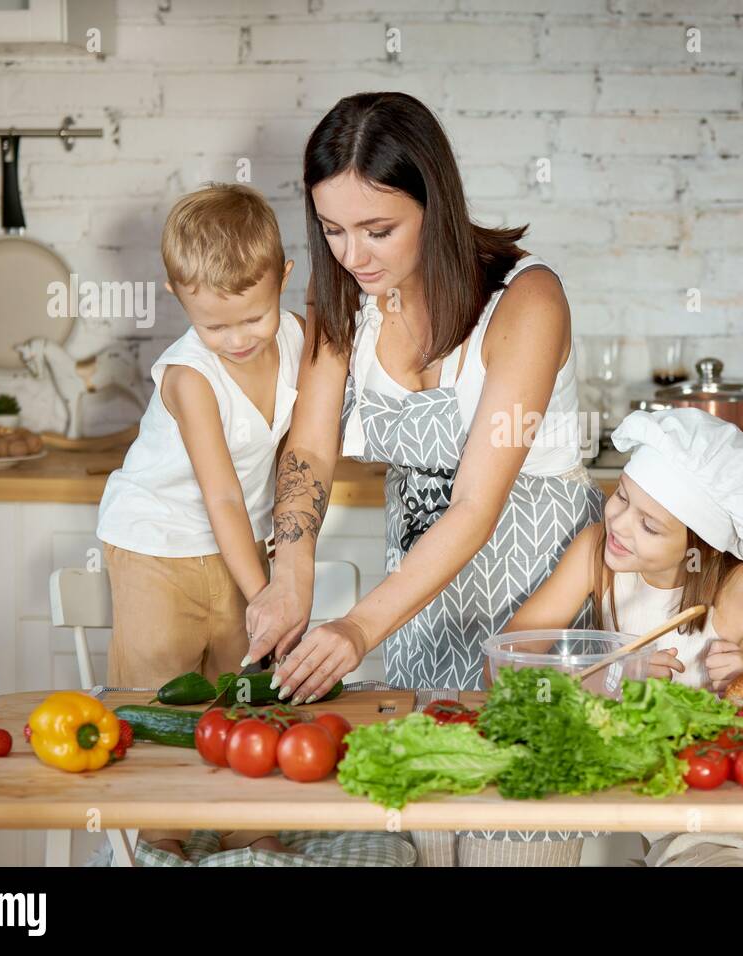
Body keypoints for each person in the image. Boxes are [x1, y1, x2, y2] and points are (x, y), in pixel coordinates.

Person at [243, 92, 600, 866]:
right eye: (332, 230)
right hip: (419, 612)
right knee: (425, 842)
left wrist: (356, 628)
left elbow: (474, 506)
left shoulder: (526, 301)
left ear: (433, 205)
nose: (354, 256)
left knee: (517, 841)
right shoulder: (345, 292)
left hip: (534, 614)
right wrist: (291, 569)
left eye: (379, 230)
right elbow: (310, 440)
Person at [503, 407, 743, 866]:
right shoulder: (594, 555)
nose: (620, 523)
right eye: (622, 496)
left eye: (650, 525)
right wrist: (607, 677)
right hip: (693, 830)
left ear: (700, 547)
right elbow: (512, 654)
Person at [96, 183, 303, 860]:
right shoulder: (190, 376)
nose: (238, 340)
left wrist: (263, 582)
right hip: (156, 546)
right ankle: (162, 832)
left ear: (285, 280)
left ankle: (244, 820)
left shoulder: (300, 340)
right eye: (216, 326)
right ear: (179, 298)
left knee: (239, 692)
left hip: (236, 543)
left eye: (254, 317)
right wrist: (265, 593)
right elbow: (219, 497)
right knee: (164, 700)